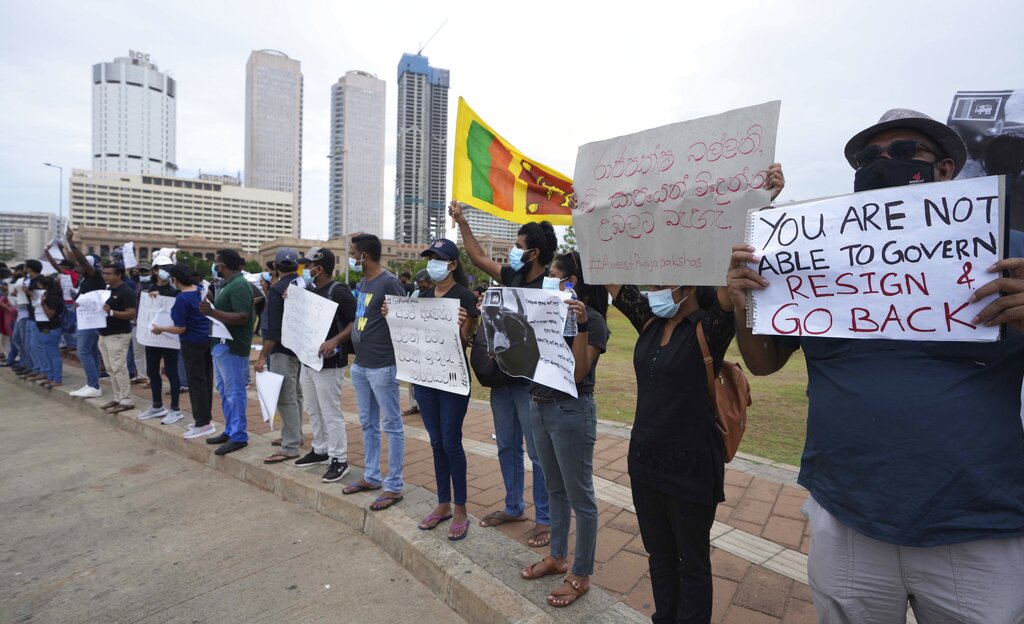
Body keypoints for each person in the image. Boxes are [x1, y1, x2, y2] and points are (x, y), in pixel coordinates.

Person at [726, 110, 1024, 623]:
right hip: (845, 515)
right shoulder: (814, 255)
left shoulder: (1006, 249)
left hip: (976, 526)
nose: (881, 164)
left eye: (904, 152)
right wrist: (742, 305)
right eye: (867, 158)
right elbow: (766, 363)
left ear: (946, 168)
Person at [449, 200, 553, 549]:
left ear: (534, 252)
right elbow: (478, 257)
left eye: (519, 246)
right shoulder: (513, 276)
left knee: (538, 453)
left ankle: (546, 519)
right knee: (507, 446)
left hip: (531, 385)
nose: (513, 252)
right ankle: (513, 506)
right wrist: (461, 220)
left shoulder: (550, 288)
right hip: (501, 381)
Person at [518, 252, 608, 608]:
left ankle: (581, 573)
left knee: (580, 496)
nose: (547, 279)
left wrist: (583, 326)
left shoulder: (595, 321)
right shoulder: (543, 314)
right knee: (555, 489)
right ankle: (557, 557)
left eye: (555, 275)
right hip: (538, 406)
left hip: (570, 411)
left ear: (572, 282)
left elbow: (578, 373)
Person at [389, 239, 479, 540]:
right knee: (437, 443)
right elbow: (411, 334)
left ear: (452, 264)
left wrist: (463, 325)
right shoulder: (424, 295)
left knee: (451, 443)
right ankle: (443, 503)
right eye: (430, 258)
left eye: (438, 259)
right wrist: (392, 315)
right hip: (425, 379)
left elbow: (464, 343)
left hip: (452, 380)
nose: (432, 264)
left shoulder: (463, 296)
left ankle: (461, 508)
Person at [341, 234, 407, 511]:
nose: (351, 257)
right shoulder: (364, 282)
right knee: (368, 424)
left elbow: (406, 317)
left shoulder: (389, 281)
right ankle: (371, 477)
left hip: (382, 365)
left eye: (353, 253)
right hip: (361, 365)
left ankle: (394, 486)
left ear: (364, 256)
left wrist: (393, 313)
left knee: (391, 425)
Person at [292, 247, 357, 482]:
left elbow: (355, 322)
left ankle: (340, 459)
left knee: (331, 411)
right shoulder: (309, 290)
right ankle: (320, 450)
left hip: (330, 362)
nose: (305, 269)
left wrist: (335, 340)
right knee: (313, 407)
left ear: (319, 268)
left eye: (308, 266)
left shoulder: (338, 291)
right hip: (308, 360)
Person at [200, 250, 254, 456]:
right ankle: (231, 429)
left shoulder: (239, 285)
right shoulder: (229, 284)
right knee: (225, 391)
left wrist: (212, 311)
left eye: (216, 263)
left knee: (235, 392)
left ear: (222, 265)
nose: (214, 266)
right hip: (222, 344)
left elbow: (242, 316)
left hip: (233, 346)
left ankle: (239, 435)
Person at [152, 263, 215, 438]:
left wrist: (161, 329)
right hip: (206, 340)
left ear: (176, 279)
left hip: (192, 344)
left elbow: (180, 328)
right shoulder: (200, 290)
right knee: (206, 381)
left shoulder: (183, 298)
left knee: (196, 383)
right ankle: (205, 419)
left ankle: (202, 423)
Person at [256, 248, 306, 464]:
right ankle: (294, 435)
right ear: (297, 266)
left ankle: (291, 445)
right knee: (295, 395)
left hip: (282, 350)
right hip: (300, 349)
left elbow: (273, 330)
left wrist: (261, 357)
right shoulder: (305, 285)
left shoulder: (278, 289)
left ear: (276, 267)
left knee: (286, 398)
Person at [136, 262, 183, 424]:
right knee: (152, 370)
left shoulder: (175, 291)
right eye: (162, 270)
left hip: (169, 337)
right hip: (152, 338)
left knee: (171, 371)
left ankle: (175, 408)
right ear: (155, 271)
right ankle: (157, 405)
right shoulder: (146, 288)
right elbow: (140, 307)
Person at [64, 228, 106, 398]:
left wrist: (71, 243)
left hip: (91, 321)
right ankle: (93, 384)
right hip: (87, 319)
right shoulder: (86, 281)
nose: (76, 266)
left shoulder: (95, 276)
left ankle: (93, 385)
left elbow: (81, 260)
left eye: (80, 264)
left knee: (83, 352)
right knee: (92, 352)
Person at [97, 262, 138, 413]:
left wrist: (112, 312)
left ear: (119, 275)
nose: (105, 276)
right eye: (103, 273)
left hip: (118, 334)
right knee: (110, 368)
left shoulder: (125, 291)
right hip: (104, 333)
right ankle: (117, 397)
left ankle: (127, 399)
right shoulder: (107, 290)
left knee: (118, 367)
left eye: (108, 273)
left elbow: (131, 313)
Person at [30, 274, 66, 390]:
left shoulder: (52, 298)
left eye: (39, 286)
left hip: (51, 328)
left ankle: (57, 378)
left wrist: (43, 303)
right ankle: (51, 376)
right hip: (45, 328)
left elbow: (50, 314)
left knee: (53, 354)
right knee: (47, 353)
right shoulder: (48, 296)